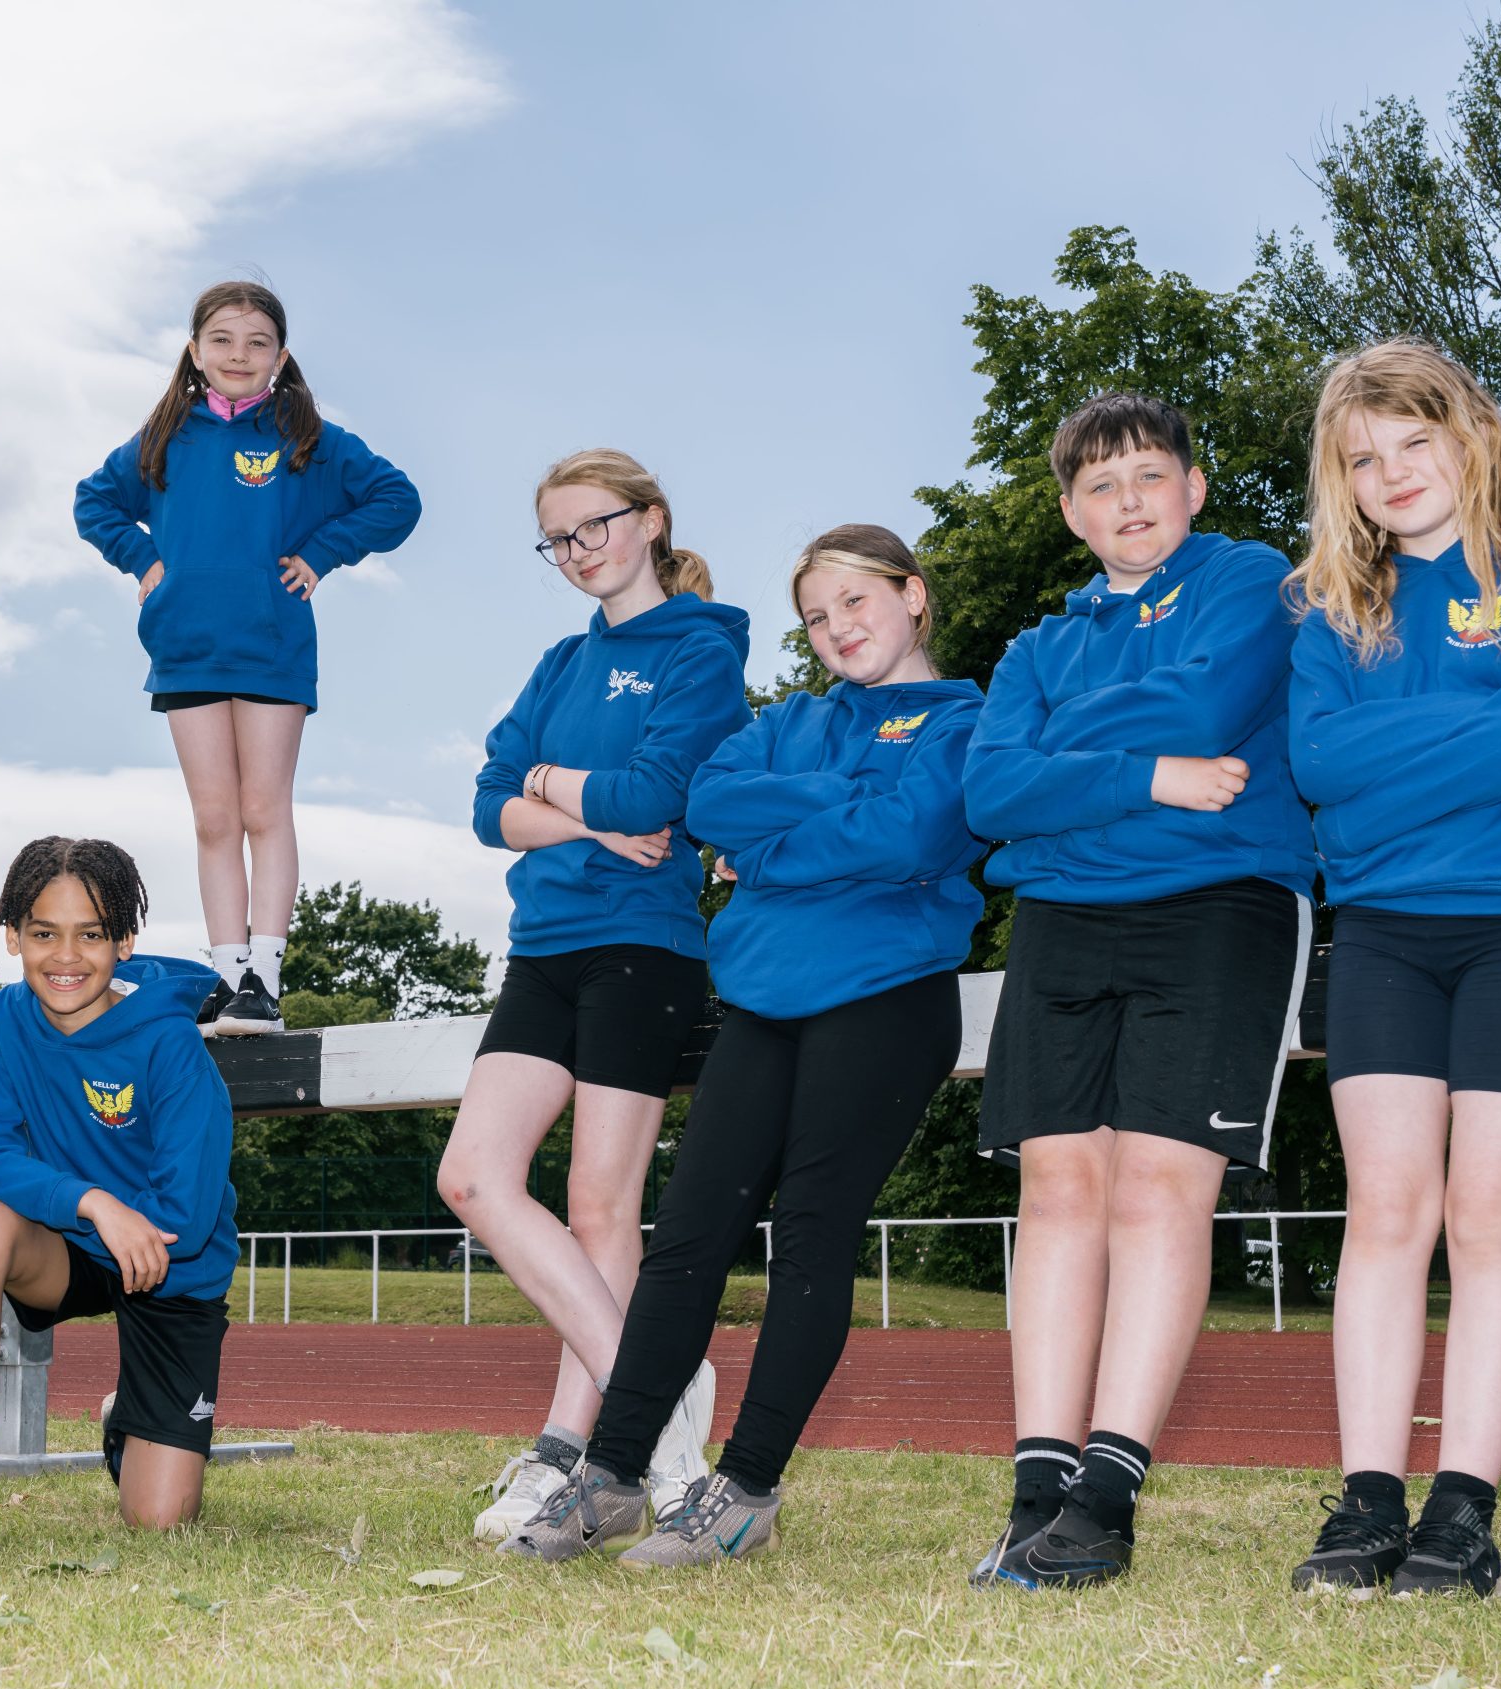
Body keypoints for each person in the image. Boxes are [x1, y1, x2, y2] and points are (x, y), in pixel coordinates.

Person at [499, 524, 982, 1567]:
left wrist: (779, 845)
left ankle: (746, 1492)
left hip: (887, 999)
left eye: (855, 602)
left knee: (810, 1234)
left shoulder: (965, 721)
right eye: (815, 615)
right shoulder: (787, 722)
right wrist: (829, 811)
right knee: (684, 1242)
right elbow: (712, 802)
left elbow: (910, 837)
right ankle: (614, 1475)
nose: (836, 628)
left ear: (912, 597)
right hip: (763, 1002)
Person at [1286, 337, 1501, 1599]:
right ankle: (1366, 1504)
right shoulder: (1328, 608)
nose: (1392, 473)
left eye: (1412, 442)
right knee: (1384, 1215)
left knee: (1490, 1217)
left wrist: (1392, 761)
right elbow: (1319, 772)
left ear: (1470, 434)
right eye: (1363, 458)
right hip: (1380, 933)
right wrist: (1463, 746)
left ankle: (1460, 1517)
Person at [961, 393, 1314, 1590]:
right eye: (1101, 486)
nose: (1128, 502)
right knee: (1059, 1190)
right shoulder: (1033, 646)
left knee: (1162, 1189)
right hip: (1063, 918)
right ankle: (1035, 1494)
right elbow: (989, 792)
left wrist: (1072, 764)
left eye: (1148, 475)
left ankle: (1105, 1502)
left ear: (1192, 486)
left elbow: (1205, 711)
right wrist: (1144, 773)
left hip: (1219, 903)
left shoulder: (1250, 578)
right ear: (1070, 512)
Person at [441, 449, 751, 1539]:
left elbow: (655, 796)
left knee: (600, 1207)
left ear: (651, 520)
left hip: (645, 944)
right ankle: (655, 1404)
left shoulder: (705, 650)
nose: (580, 552)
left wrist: (544, 784)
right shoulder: (559, 663)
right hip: (547, 944)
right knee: (474, 1177)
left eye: (598, 526)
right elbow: (486, 805)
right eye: (559, 538)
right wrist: (573, 812)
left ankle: (575, 1448)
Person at [75, 280, 421, 1036]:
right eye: (223, 340)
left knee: (264, 809)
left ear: (281, 356)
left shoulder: (307, 435)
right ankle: (228, 980)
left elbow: (397, 500)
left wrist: (322, 553)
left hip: (271, 648)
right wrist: (142, 557)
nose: (240, 354)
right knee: (213, 818)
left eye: (258, 342)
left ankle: (264, 975)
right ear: (195, 351)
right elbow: (93, 500)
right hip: (186, 646)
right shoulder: (167, 437)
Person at [0, 837, 235, 1559]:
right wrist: (91, 1201)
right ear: (12, 936)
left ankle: (128, 1417)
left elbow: (182, 1217)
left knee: (158, 1519)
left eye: (90, 933)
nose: (67, 956)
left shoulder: (170, 1043)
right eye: (44, 933)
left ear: (123, 940)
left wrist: (115, 1213)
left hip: (168, 1264)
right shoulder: (7, 1021)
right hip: (72, 1245)